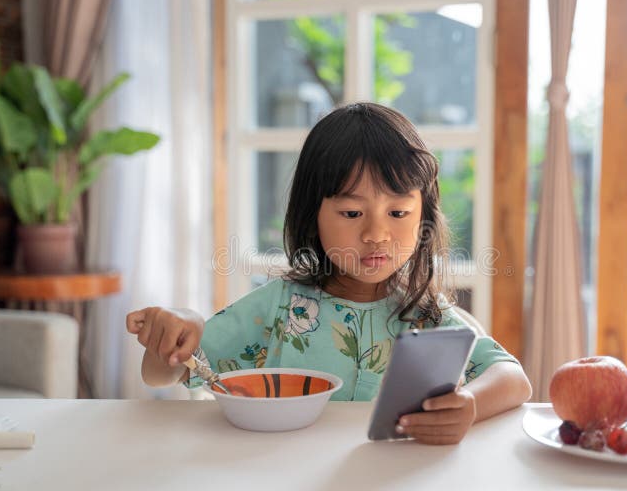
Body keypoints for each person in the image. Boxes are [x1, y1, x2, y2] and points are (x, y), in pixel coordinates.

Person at [126, 102, 531, 445]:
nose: (376, 234)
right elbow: (162, 374)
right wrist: (179, 329)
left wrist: (471, 405)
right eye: (352, 213)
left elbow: (513, 378)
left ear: (423, 215)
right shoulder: (280, 307)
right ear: (312, 215)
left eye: (398, 213)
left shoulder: (426, 316)